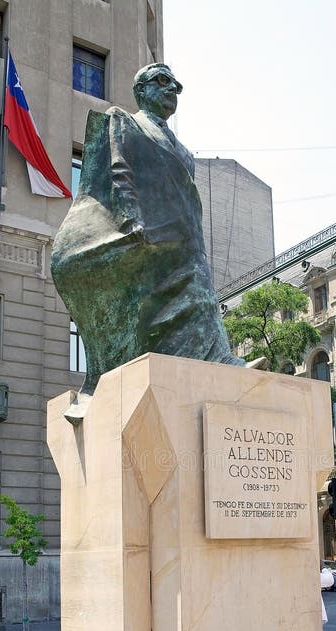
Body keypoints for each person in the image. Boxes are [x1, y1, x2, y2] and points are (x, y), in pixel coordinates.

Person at [51, 63, 243, 398]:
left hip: (184, 240)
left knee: (198, 294)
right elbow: (117, 170)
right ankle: (217, 357)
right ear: (141, 91)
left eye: (176, 86)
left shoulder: (185, 152)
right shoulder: (123, 122)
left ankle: (213, 358)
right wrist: (129, 219)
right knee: (191, 296)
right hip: (146, 234)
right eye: (163, 81)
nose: (172, 89)